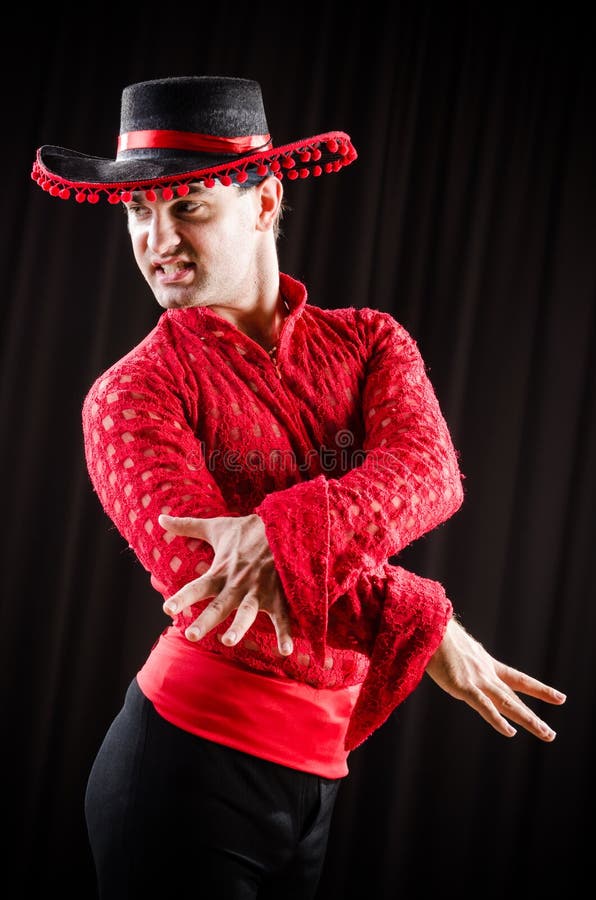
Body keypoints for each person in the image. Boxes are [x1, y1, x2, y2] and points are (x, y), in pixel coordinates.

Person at [32, 75, 566, 899]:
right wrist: (430, 624)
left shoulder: (371, 342)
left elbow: (429, 476)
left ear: (265, 201)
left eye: (187, 207)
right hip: (181, 770)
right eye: (137, 211)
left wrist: (274, 530)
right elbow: (218, 594)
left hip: (317, 778)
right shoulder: (129, 395)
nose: (155, 237)